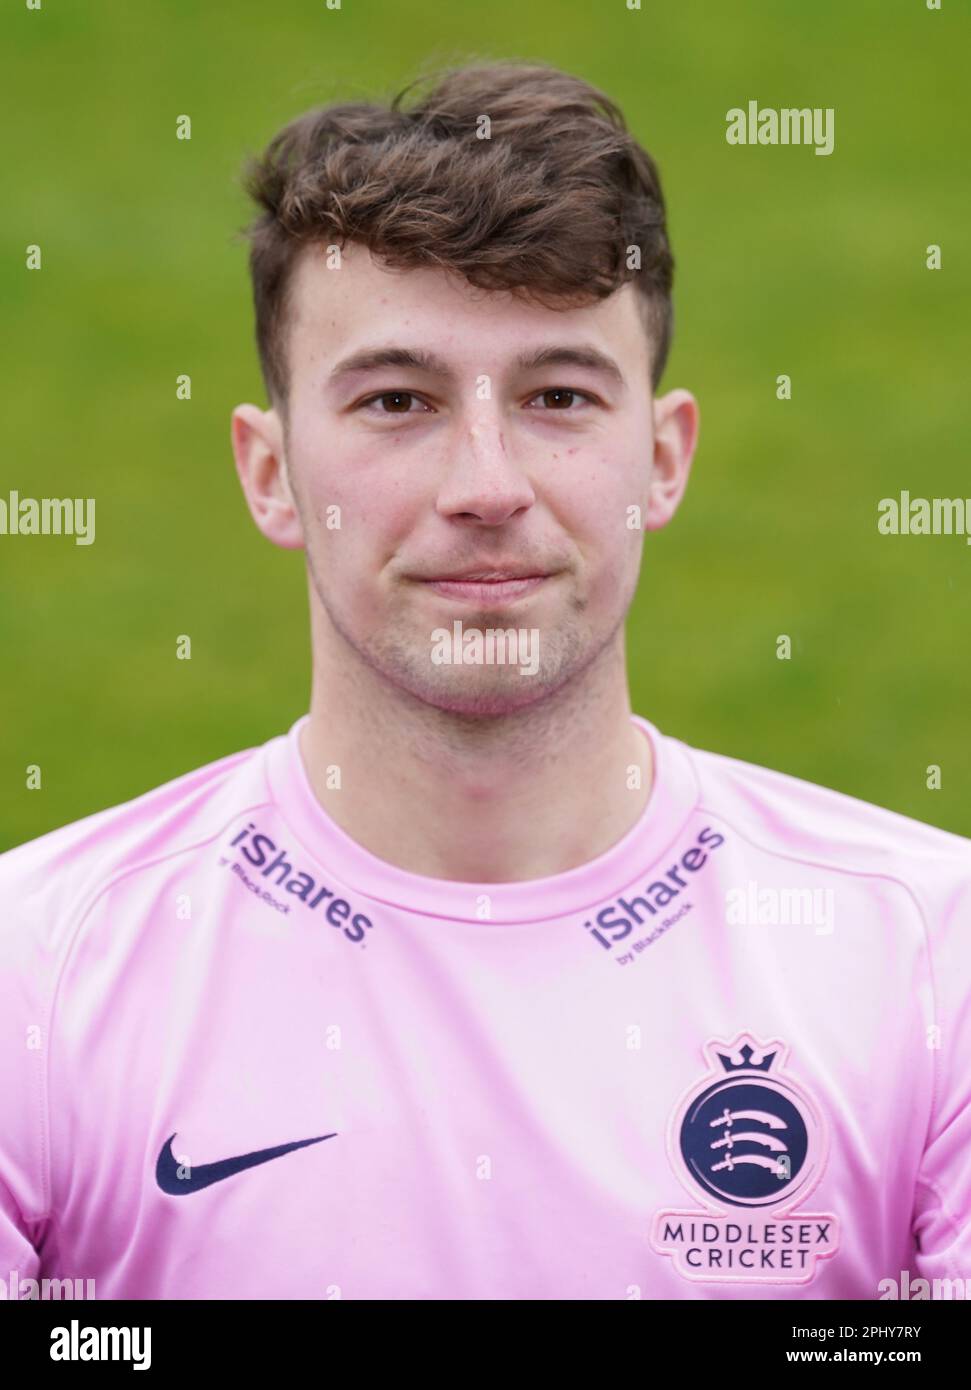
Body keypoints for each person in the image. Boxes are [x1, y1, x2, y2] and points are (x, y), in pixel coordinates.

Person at [1, 62, 968, 1302]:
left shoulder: (927, 964)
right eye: (395, 400)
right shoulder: (38, 975)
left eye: (557, 396)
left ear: (662, 457)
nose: (487, 484)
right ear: (270, 472)